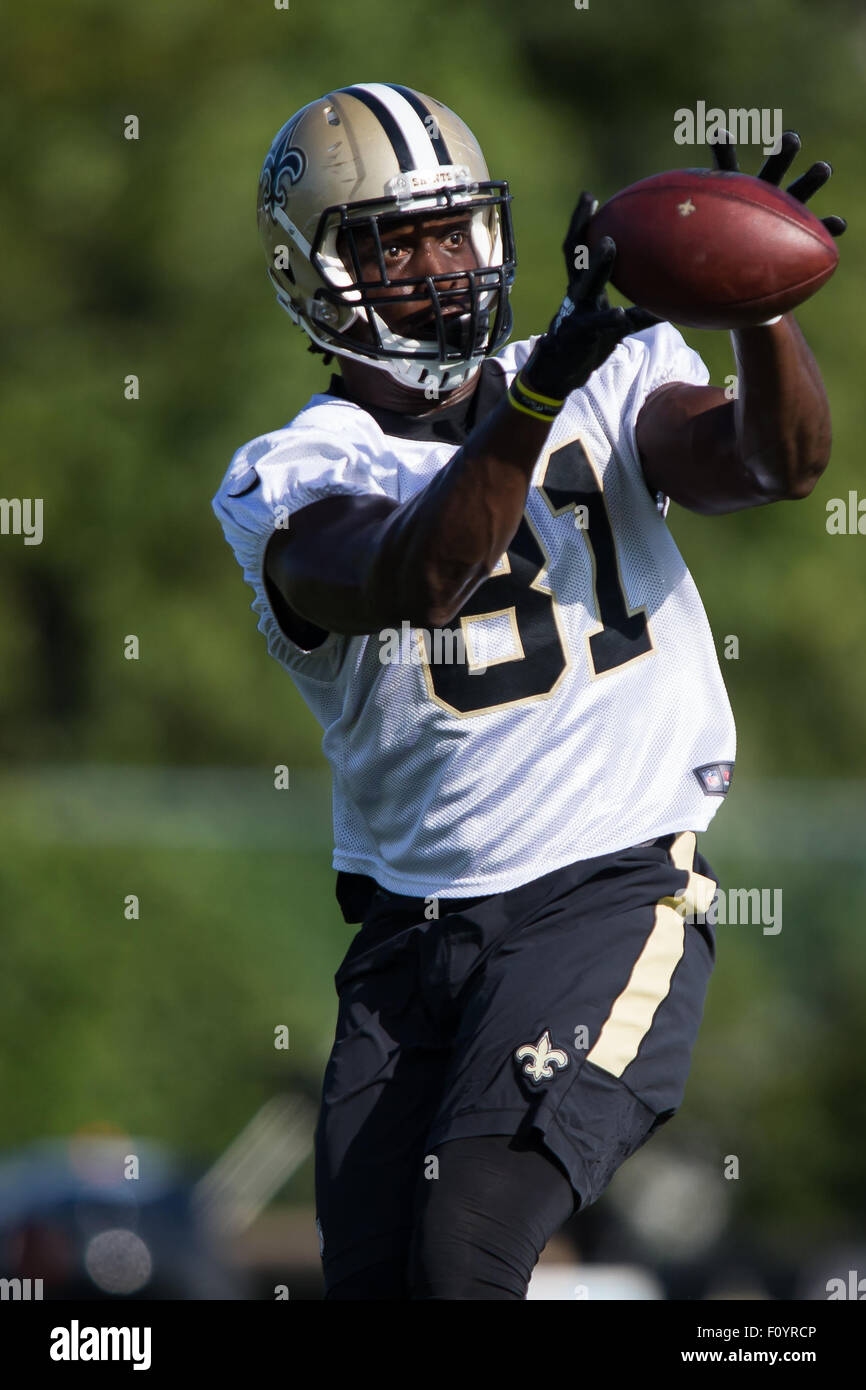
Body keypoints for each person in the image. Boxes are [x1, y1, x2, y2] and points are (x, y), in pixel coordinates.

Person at [212, 83, 844, 1300]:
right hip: (411, 933)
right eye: (395, 243)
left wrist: (758, 314)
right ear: (316, 276)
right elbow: (419, 572)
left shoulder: (600, 373)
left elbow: (777, 462)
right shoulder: (290, 472)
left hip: (604, 889)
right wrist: (537, 393)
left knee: (469, 1259)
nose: (438, 266)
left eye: (452, 231)